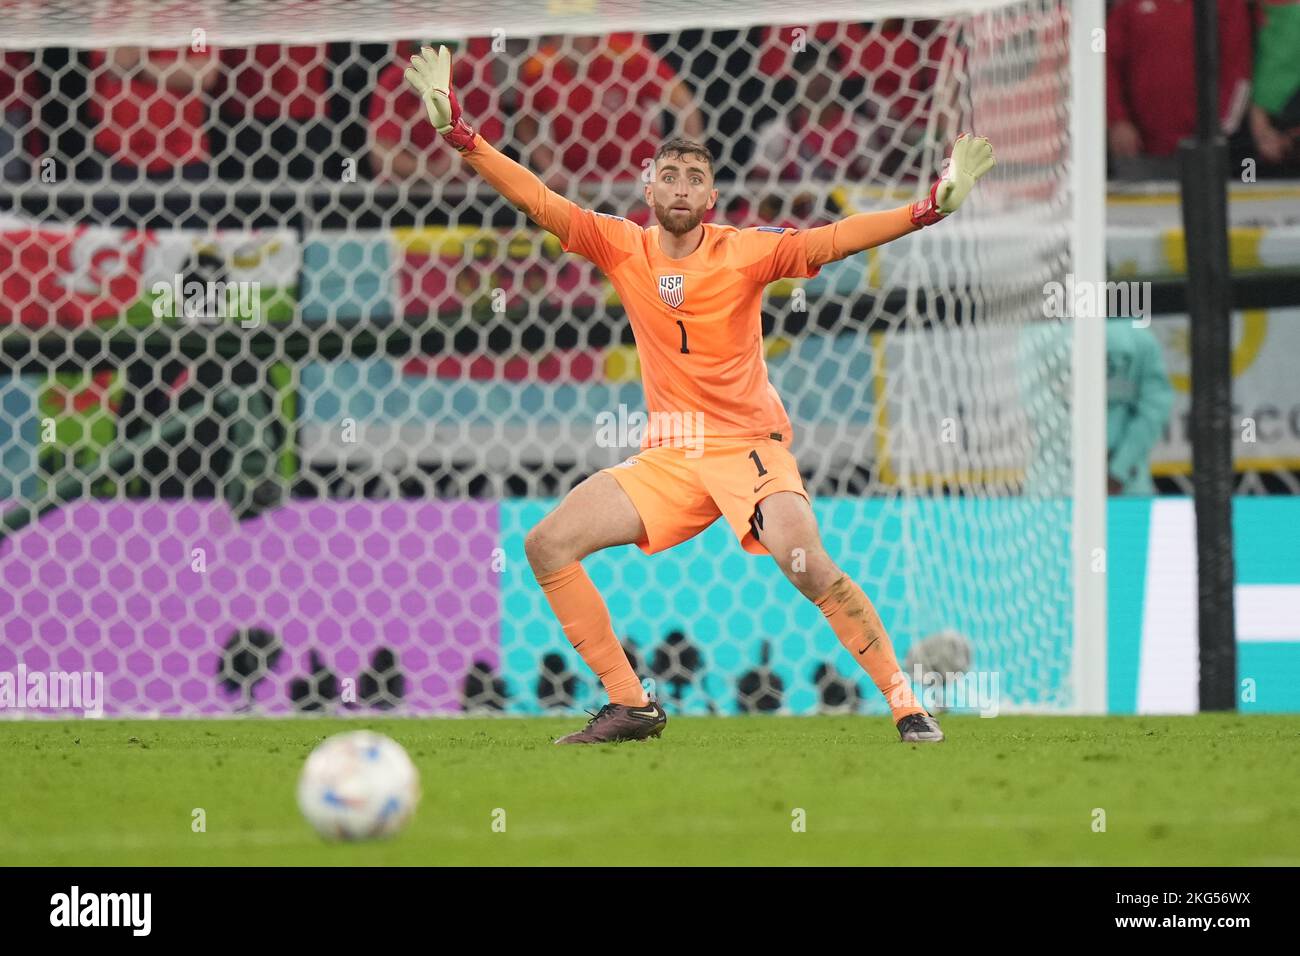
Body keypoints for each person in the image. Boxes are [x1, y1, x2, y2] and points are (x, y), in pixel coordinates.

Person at [402, 46, 996, 744]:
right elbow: (538, 198)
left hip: (750, 448)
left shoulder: (744, 251)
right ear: (648, 191)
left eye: (696, 177)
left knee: (808, 565)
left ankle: (907, 706)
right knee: (546, 544)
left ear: (710, 198)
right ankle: (632, 705)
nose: (682, 186)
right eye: (670, 176)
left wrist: (927, 209)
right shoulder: (621, 246)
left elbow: (831, 241)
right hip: (671, 456)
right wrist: (458, 134)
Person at [1105, 0, 1251, 179]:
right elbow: (1104, 60)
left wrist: (1218, 131)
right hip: (1136, 147)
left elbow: (1238, 71)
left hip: (1203, 150)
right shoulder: (1127, 5)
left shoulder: (1227, 4)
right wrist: (1117, 121)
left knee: (1204, 204)